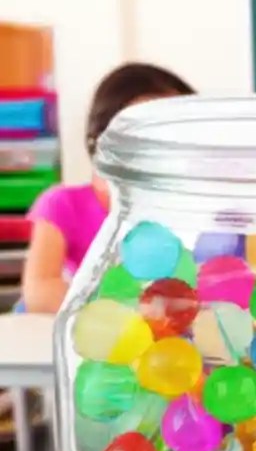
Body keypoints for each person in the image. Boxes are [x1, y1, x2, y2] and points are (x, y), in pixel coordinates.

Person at [21, 63, 194, 313]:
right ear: (101, 139)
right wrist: (123, 311)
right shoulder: (63, 203)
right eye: (145, 138)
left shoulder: (186, 212)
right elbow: (39, 289)